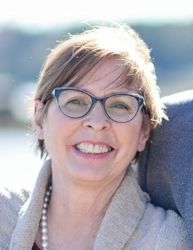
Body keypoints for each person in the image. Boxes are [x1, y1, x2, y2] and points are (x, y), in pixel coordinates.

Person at [0, 23, 188, 250]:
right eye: (76, 102)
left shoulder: (166, 241)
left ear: (144, 131)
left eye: (120, 105)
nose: (97, 123)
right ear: (40, 119)